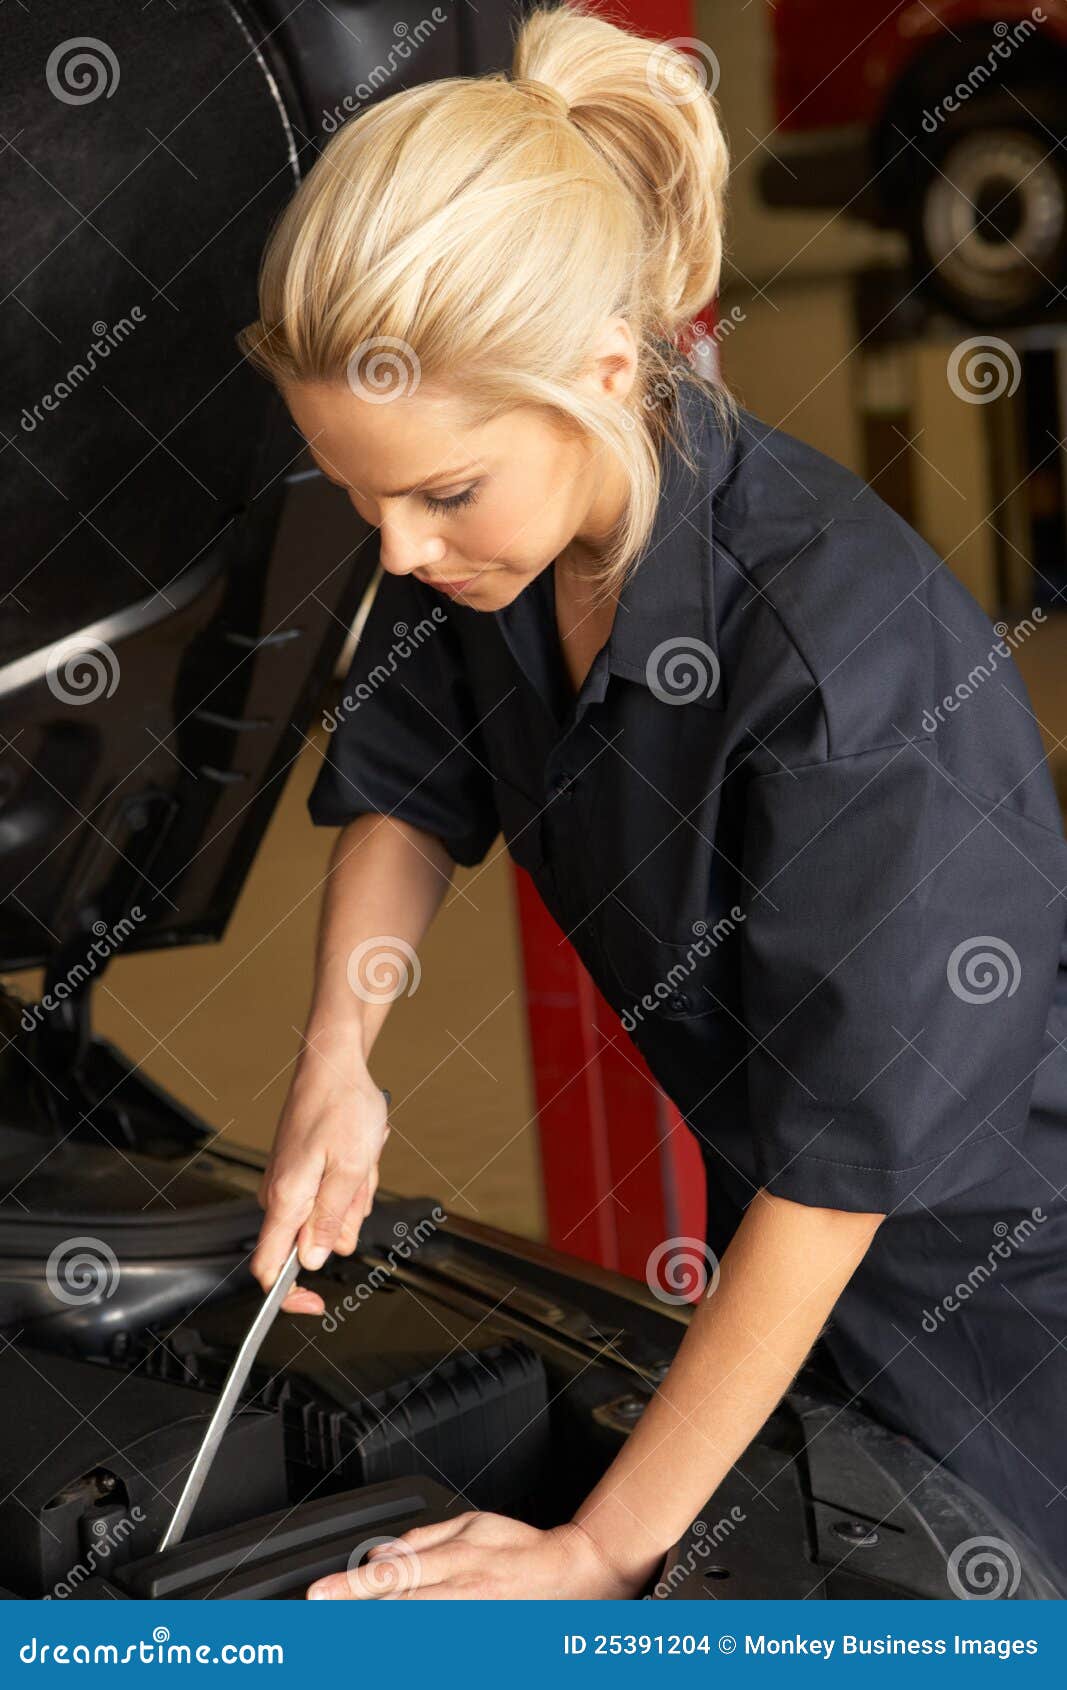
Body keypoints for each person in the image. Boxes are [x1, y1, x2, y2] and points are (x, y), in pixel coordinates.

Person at [237, 2, 1067, 1598]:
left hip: (1003, 1301)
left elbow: (841, 1185)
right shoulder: (488, 551)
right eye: (359, 494)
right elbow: (409, 788)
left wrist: (598, 1547)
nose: (397, 547)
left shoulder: (840, 669)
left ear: (604, 375)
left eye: (437, 491)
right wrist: (338, 1060)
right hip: (795, 1273)